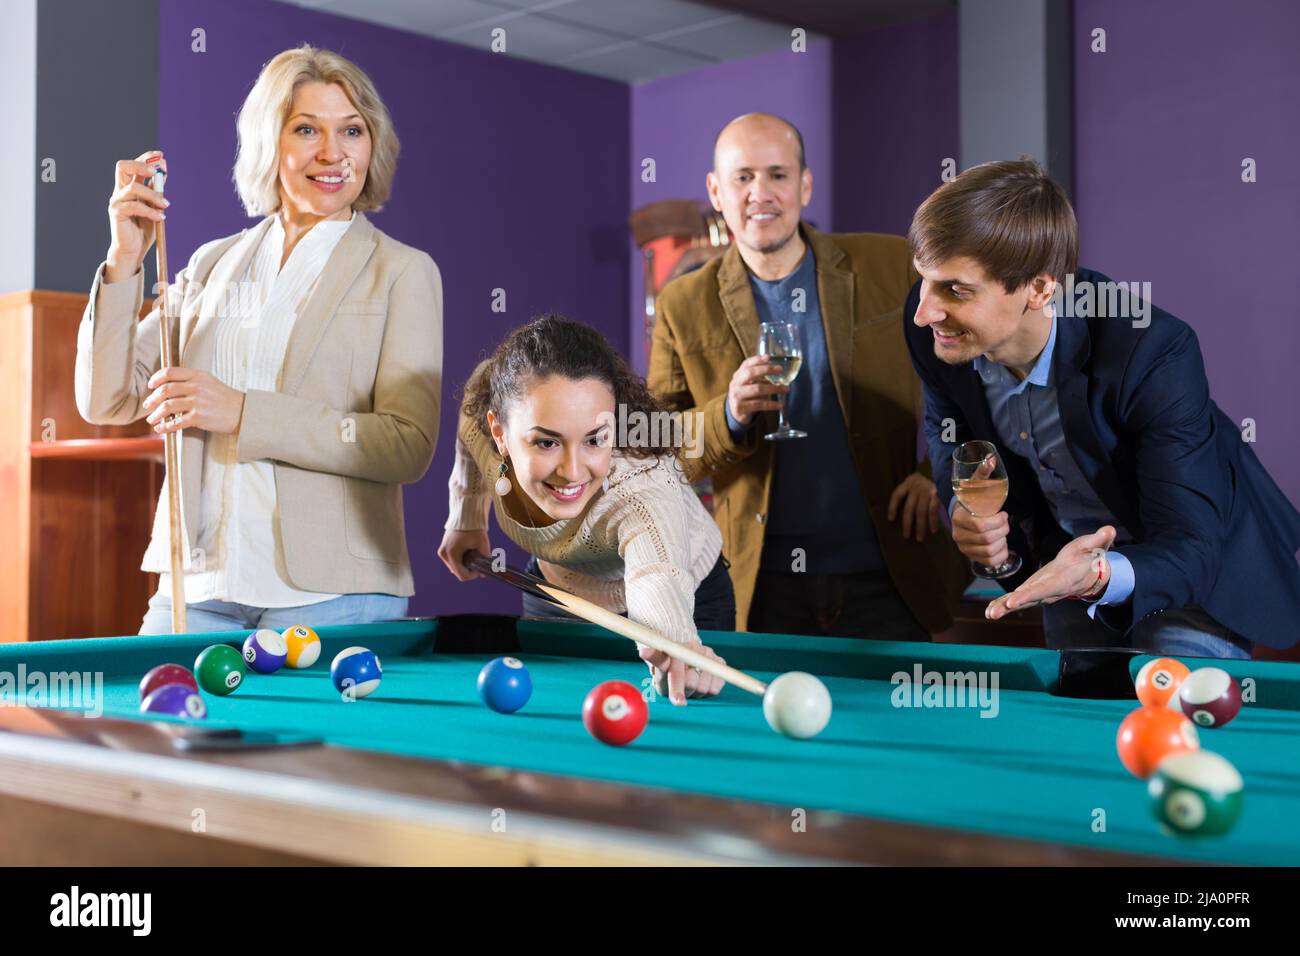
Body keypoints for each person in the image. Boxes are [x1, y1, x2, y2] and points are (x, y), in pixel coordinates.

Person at [75, 45, 443, 634]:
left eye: (351, 130)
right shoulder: (209, 264)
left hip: (334, 595)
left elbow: (407, 444)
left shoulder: (402, 271)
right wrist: (123, 260)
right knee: (159, 728)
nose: (333, 152)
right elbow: (106, 400)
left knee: (319, 735)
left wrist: (245, 413)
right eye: (306, 129)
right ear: (269, 143)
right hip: (197, 585)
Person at [903, 158, 1300, 657]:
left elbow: (1190, 546)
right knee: (1081, 720)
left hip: (1188, 565)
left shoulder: (1152, 351)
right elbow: (951, 433)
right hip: (1061, 562)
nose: (924, 311)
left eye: (956, 290)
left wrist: (1096, 574)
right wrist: (964, 509)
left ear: (1040, 288)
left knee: (1168, 722)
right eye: (924, 279)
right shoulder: (936, 327)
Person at [648, 112, 969, 639]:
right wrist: (727, 416)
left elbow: (971, 367)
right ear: (716, 190)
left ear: (804, 184)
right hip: (760, 583)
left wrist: (939, 465)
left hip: (889, 573)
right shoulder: (683, 302)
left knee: (889, 724)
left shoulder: (890, 264)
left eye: (777, 174)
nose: (761, 193)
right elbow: (656, 448)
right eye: (743, 177)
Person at [438, 314, 734, 705]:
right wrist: (466, 519)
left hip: (688, 593)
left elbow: (656, 575)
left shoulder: (641, 486)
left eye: (596, 439)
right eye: (547, 443)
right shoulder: (486, 407)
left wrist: (673, 639)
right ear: (499, 433)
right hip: (558, 585)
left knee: (682, 712)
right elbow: (472, 414)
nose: (573, 471)